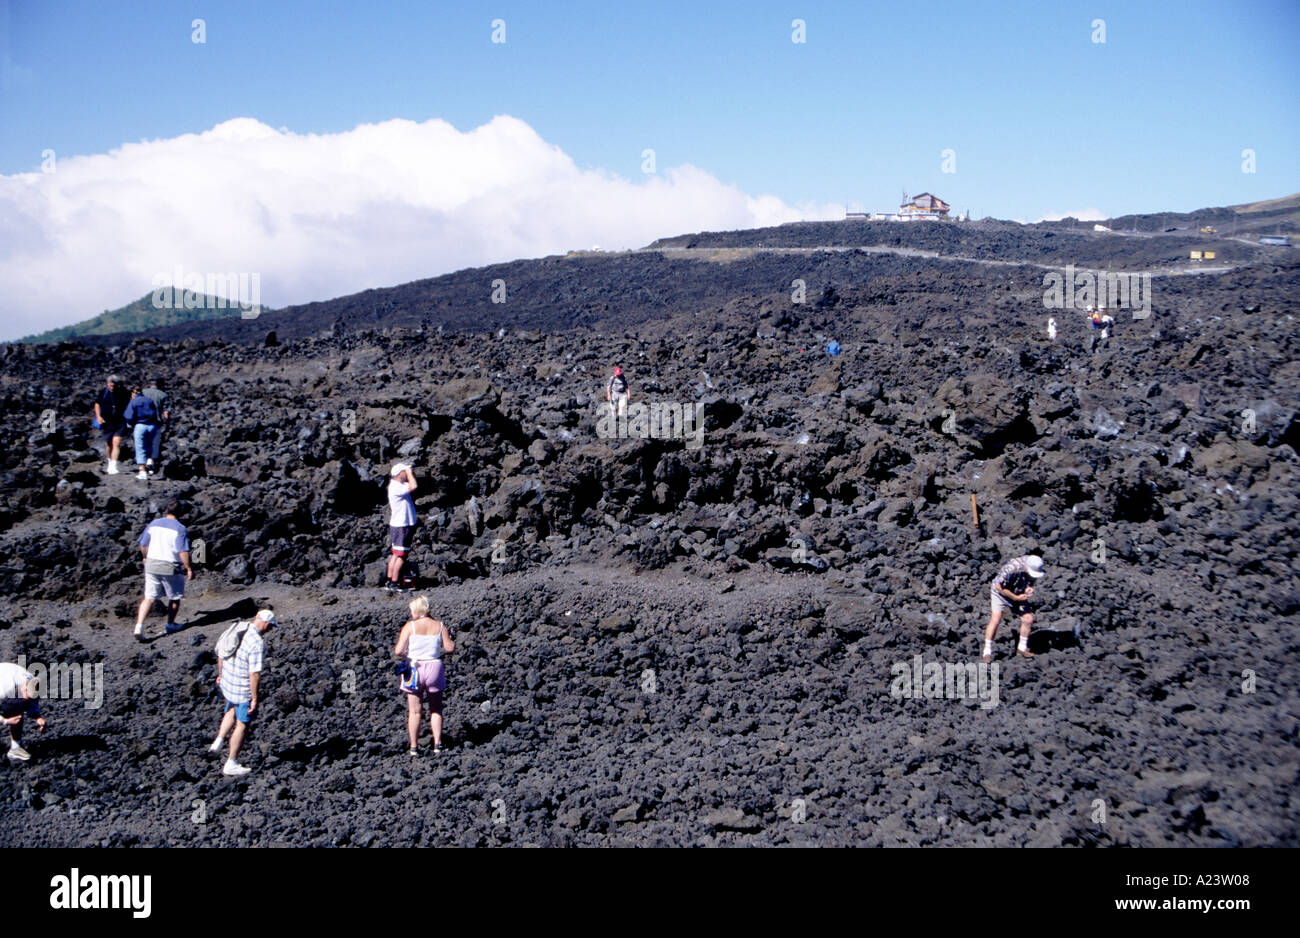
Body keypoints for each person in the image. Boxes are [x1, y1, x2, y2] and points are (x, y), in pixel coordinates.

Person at [209, 609, 276, 776]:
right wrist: (254, 698)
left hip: (229, 683)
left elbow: (221, 652)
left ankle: (217, 742)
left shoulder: (237, 627)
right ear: (266, 624)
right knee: (242, 724)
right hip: (242, 689)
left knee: (230, 709)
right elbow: (254, 674)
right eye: (270, 627)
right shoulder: (256, 643)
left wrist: (221, 674)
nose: (270, 631)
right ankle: (231, 762)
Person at [394, 596, 455, 755]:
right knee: (436, 709)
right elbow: (449, 648)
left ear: (416, 610)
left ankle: (414, 747)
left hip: (414, 668)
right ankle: (437, 745)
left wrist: (408, 655)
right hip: (434, 667)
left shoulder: (410, 626)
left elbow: (398, 650)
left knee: (415, 711)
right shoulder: (440, 626)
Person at [134, 501, 193, 640]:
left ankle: (139, 626)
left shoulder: (154, 524)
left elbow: (143, 544)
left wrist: (145, 557)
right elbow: (182, 551)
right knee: (175, 597)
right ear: (181, 514)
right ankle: (170, 625)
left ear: (166, 510)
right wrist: (189, 568)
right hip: (170, 567)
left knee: (149, 598)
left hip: (152, 565)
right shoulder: (180, 528)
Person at [982, 554, 1045, 661]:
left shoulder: (1034, 563)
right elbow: (999, 586)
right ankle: (987, 652)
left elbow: (1032, 579)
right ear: (1026, 567)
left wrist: (1029, 587)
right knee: (996, 619)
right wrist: (1015, 598)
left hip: (1018, 591)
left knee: (1028, 619)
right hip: (1000, 593)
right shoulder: (1012, 568)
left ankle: (1022, 648)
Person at [0, 661, 45, 763]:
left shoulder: (33, 683)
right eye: (26, 695)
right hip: (4, 680)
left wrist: (37, 717)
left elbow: (31, 702)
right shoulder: (4, 687)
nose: (26, 700)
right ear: (24, 686)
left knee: (17, 708)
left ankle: (15, 749)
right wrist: (5, 721)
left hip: (10, 677)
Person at [386, 462, 418, 591]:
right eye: (404, 472)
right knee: (401, 555)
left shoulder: (398, 485)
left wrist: (409, 472)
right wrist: (408, 472)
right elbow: (414, 486)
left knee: (396, 554)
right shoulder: (396, 487)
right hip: (402, 525)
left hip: (399, 525)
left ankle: (390, 581)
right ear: (400, 474)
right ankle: (395, 583)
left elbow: (412, 482)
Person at [93, 375, 130, 475]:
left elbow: (130, 402)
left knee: (116, 443)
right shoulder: (103, 392)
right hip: (107, 422)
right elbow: (97, 404)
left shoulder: (123, 392)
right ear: (107, 384)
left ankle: (114, 465)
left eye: (113, 385)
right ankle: (109, 461)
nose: (112, 386)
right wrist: (98, 417)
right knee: (109, 444)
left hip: (120, 421)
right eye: (110, 385)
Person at [123, 385, 160, 480]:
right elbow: (155, 413)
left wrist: (131, 424)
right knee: (150, 445)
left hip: (140, 425)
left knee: (140, 447)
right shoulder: (149, 400)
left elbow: (128, 416)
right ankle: (150, 461)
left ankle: (142, 471)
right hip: (152, 425)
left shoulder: (133, 401)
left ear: (133, 393)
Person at [141, 378, 170, 466]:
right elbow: (166, 412)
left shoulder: (143, 393)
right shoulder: (163, 395)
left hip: (142, 420)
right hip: (155, 422)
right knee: (154, 442)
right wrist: (167, 424)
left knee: (143, 441)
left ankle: (143, 462)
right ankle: (151, 461)